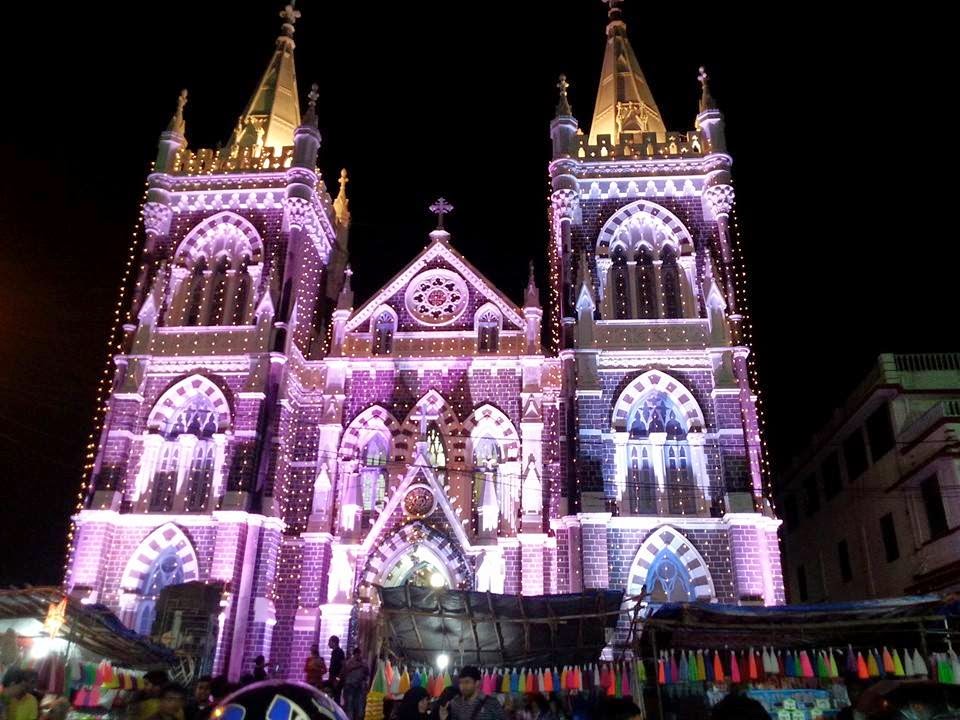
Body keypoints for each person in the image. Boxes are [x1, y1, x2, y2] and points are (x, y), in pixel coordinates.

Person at [438, 666, 505, 720]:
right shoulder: (455, 703)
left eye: (467, 682)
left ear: (477, 683)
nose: (462, 686)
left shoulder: (492, 703)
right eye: (461, 683)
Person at [341, 648, 370, 720]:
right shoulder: (349, 662)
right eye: (357, 654)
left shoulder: (364, 663)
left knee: (358, 706)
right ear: (354, 654)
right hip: (350, 686)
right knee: (350, 706)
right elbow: (345, 671)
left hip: (359, 687)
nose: (358, 656)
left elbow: (367, 673)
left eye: (359, 654)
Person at [327, 636, 346, 704]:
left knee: (336, 698)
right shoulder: (334, 652)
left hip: (336, 679)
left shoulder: (339, 652)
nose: (328, 644)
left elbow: (343, 666)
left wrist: (337, 679)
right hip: (333, 678)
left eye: (329, 642)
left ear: (334, 642)